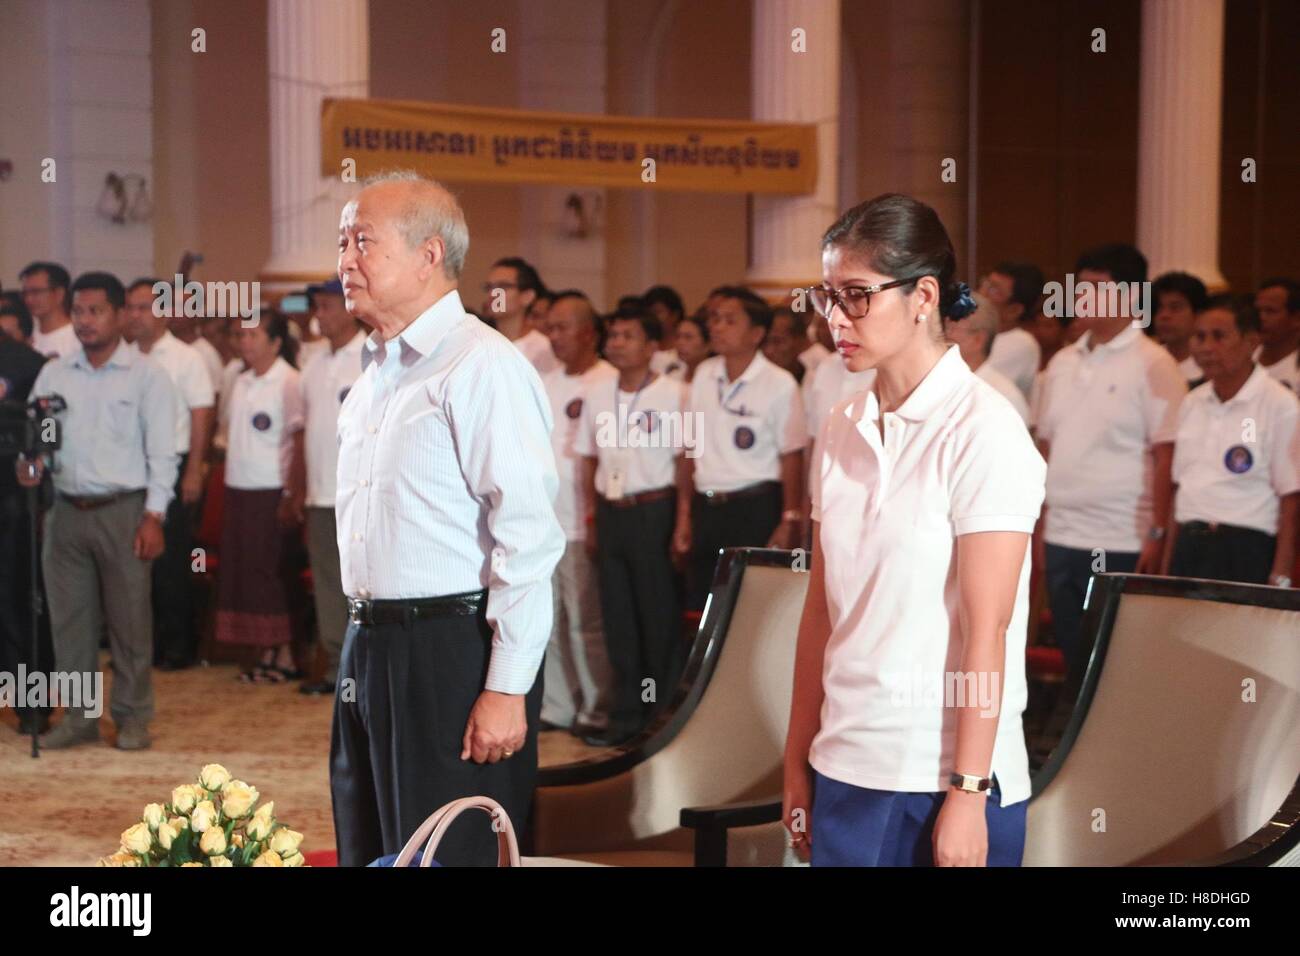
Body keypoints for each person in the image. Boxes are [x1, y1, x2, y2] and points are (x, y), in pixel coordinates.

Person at [784, 193, 1045, 867]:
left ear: (924, 294)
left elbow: (987, 629)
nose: (835, 319)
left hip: (938, 779)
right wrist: (796, 761)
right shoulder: (842, 423)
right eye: (826, 296)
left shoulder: (984, 430)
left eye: (857, 296)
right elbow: (822, 609)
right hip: (845, 761)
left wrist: (967, 793)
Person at [331, 171, 563, 867]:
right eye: (342, 242)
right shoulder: (376, 372)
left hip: (452, 651)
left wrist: (505, 686)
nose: (344, 261)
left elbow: (528, 538)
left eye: (362, 242)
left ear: (429, 255)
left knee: (449, 848)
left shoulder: (481, 364)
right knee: (372, 843)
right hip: (369, 643)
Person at [17, 271, 179, 750]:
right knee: (70, 622)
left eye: (96, 311)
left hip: (124, 510)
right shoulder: (55, 373)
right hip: (65, 511)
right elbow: (41, 435)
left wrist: (154, 515)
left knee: (129, 622)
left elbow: (163, 452)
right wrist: (34, 464)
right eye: (80, 312)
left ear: (119, 314)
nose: (86, 322)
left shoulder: (148, 375)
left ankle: (131, 717)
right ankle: (80, 718)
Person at [1034, 243, 1186, 685]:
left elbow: (1166, 455)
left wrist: (1157, 532)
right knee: (1073, 653)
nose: (1081, 298)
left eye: (1095, 289)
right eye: (1079, 288)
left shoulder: (1154, 363)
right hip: (1063, 530)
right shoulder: (1061, 362)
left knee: (1117, 664)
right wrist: (1040, 524)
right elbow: (1047, 448)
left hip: (1121, 534)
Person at [577, 306, 689, 744]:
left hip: (654, 510)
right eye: (613, 335)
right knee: (618, 615)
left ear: (652, 345)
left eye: (628, 335)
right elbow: (588, 459)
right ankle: (624, 716)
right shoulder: (597, 392)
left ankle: (658, 716)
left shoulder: (676, 393)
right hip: (611, 511)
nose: (616, 343)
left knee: (656, 614)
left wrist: (682, 521)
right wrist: (590, 517)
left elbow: (685, 463)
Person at [679, 287, 805, 610]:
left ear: (756, 333)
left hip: (754, 505)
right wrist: (683, 516)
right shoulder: (705, 374)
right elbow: (690, 448)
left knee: (750, 606)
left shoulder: (779, 383)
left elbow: (791, 454)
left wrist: (789, 518)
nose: (717, 327)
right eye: (715, 319)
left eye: (730, 321)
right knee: (704, 604)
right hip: (707, 505)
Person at [1167, 295, 1299, 586]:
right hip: (1190, 543)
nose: (1206, 348)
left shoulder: (1279, 403)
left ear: (1251, 342)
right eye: (1199, 337)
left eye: (1219, 337)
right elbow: (1180, 488)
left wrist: (1282, 572)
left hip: (1246, 546)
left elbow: (1290, 496)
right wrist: (1166, 566)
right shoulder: (1192, 402)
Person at [123, 278, 215, 670]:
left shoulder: (184, 357)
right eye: (131, 308)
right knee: (131, 562)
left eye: (145, 307)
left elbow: (201, 414)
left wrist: (194, 468)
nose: (136, 316)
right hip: (130, 469)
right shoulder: (123, 356)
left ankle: (178, 645)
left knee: (173, 560)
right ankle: (140, 647)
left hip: (174, 465)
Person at [538, 290, 617, 739]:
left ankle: (597, 706)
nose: (554, 336)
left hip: (579, 519)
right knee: (546, 619)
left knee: (585, 620)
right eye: (550, 327)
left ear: (589, 332)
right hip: (543, 521)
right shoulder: (546, 382)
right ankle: (559, 704)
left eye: (562, 327)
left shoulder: (608, 381)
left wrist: (592, 519)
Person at [216, 313, 305, 683]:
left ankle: (283, 653)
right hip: (239, 486)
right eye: (241, 335)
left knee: (269, 571)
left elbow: (299, 441)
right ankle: (259, 651)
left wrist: (292, 492)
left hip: (271, 488)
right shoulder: (240, 379)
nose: (245, 342)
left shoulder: (289, 381)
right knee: (243, 572)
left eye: (254, 335)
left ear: (276, 342)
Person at [296, 278, 366, 696]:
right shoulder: (313, 363)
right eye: (316, 307)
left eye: (327, 306)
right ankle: (335, 668)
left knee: (361, 581)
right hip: (319, 492)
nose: (319, 315)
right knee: (327, 581)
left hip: (358, 491)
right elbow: (303, 430)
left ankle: (362, 668)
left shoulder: (369, 356)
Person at [0, 326, 51, 734]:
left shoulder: (27, 363)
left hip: (11, 504)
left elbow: (45, 435)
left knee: (17, 605)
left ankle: (30, 705)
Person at [945, 292, 1031, 425]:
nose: (942, 336)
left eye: (951, 328)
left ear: (978, 339)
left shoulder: (1003, 395)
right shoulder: (942, 384)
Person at [481, 256, 559, 375]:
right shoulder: (481, 343)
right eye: (489, 287)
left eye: (502, 287)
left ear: (527, 296)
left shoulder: (543, 348)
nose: (493, 294)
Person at [980, 261, 1043, 399]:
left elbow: (975, 383)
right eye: (985, 284)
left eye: (993, 290)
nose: (982, 294)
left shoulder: (1020, 343)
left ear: (1014, 310)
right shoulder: (979, 332)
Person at [1152, 271, 1210, 383]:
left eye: (1175, 308)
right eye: (1159, 308)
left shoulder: (1210, 367)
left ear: (1198, 315)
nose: (1164, 315)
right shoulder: (1146, 360)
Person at [19, 261, 79, 359]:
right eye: (25, 293)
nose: (28, 299)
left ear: (59, 294)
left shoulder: (77, 337)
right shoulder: (27, 337)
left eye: (36, 292)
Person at [1254, 278, 1300, 393]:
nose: (1261, 318)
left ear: (1296, 319)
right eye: (1257, 311)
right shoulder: (1241, 358)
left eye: (1270, 311)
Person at [643, 284, 685, 375]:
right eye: (649, 313)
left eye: (657, 312)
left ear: (674, 315)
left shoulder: (685, 350)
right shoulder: (643, 351)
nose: (652, 318)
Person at [671, 312, 711, 382]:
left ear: (707, 345)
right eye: (677, 337)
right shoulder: (673, 376)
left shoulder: (715, 379)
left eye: (688, 337)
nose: (680, 343)